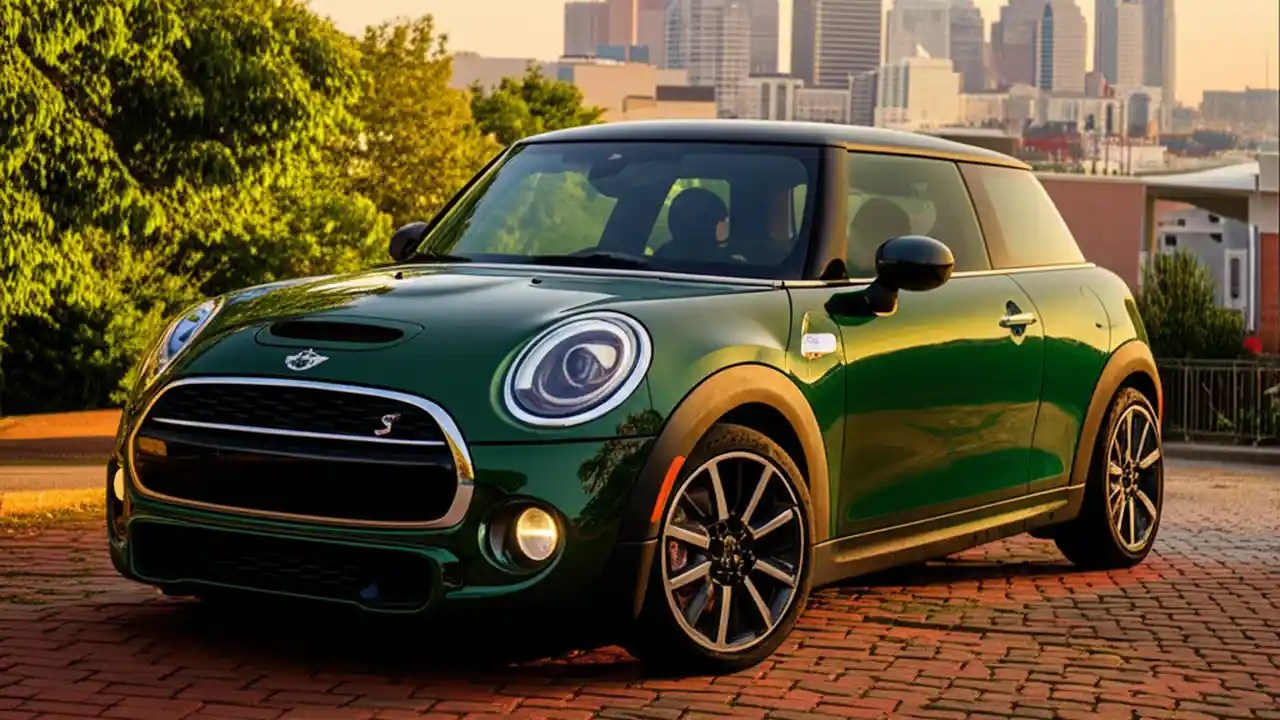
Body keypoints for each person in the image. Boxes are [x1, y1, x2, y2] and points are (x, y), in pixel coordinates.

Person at [655, 188, 729, 262]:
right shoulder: (726, 264)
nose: (728, 224)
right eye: (723, 220)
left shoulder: (660, 257)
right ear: (708, 227)